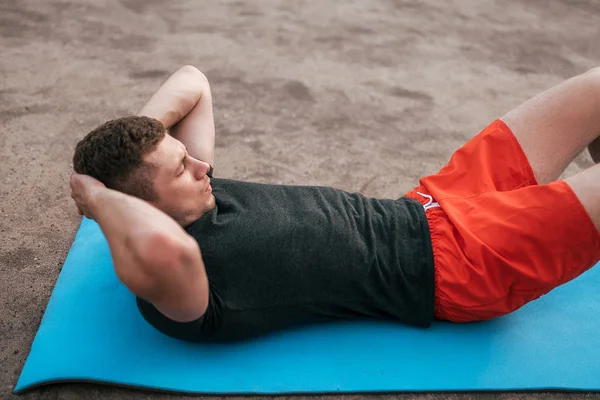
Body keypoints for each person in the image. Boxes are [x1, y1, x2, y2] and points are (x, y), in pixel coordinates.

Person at [70, 65, 600, 342]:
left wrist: (135, 145)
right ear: (140, 206)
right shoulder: (182, 286)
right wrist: (97, 195)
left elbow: (193, 81)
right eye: (181, 170)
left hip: (431, 201)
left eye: (189, 155)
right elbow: (162, 249)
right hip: (462, 265)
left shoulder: (196, 196)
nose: (204, 167)